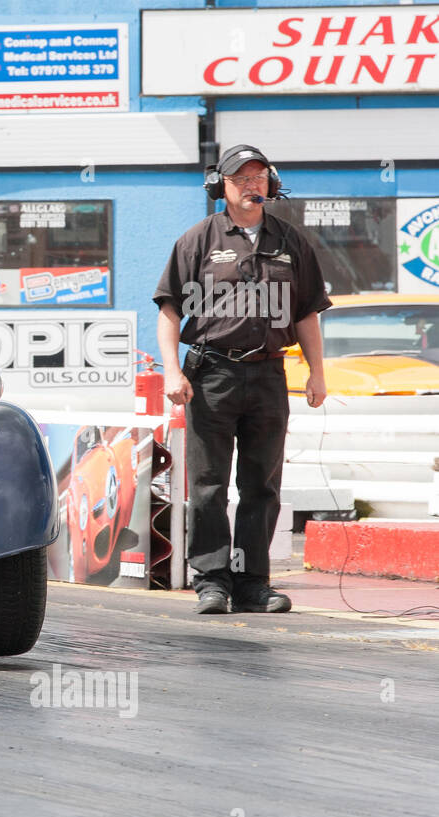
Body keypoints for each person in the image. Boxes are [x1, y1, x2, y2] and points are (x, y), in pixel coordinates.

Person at [154, 144, 331, 614]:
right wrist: (172, 370)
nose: (252, 185)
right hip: (212, 374)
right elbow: (170, 309)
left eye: (259, 177)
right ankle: (212, 580)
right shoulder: (197, 240)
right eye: (241, 178)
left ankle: (253, 583)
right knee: (208, 484)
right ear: (221, 187)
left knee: (262, 485)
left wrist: (317, 372)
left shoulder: (291, 241)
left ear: (271, 184)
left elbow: (308, 312)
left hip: (270, 374)